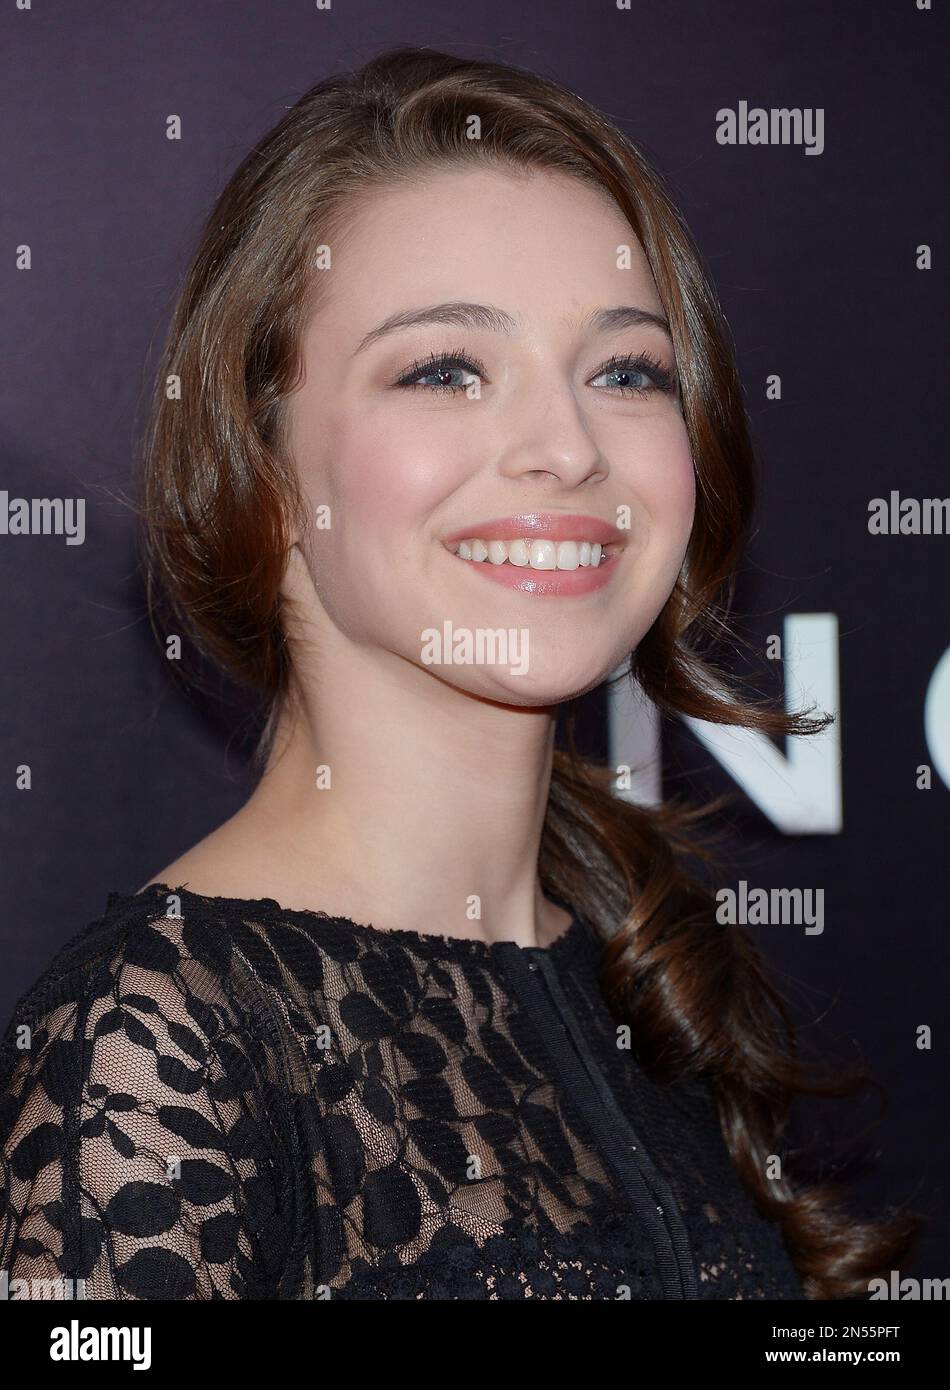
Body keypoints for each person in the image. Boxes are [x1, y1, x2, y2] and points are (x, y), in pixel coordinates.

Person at [0, 45, 921, 1300]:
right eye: (444, 369)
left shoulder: (646, 981)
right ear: (260, 467)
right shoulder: (157, 1042)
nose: (565, 447)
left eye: (624, 371)